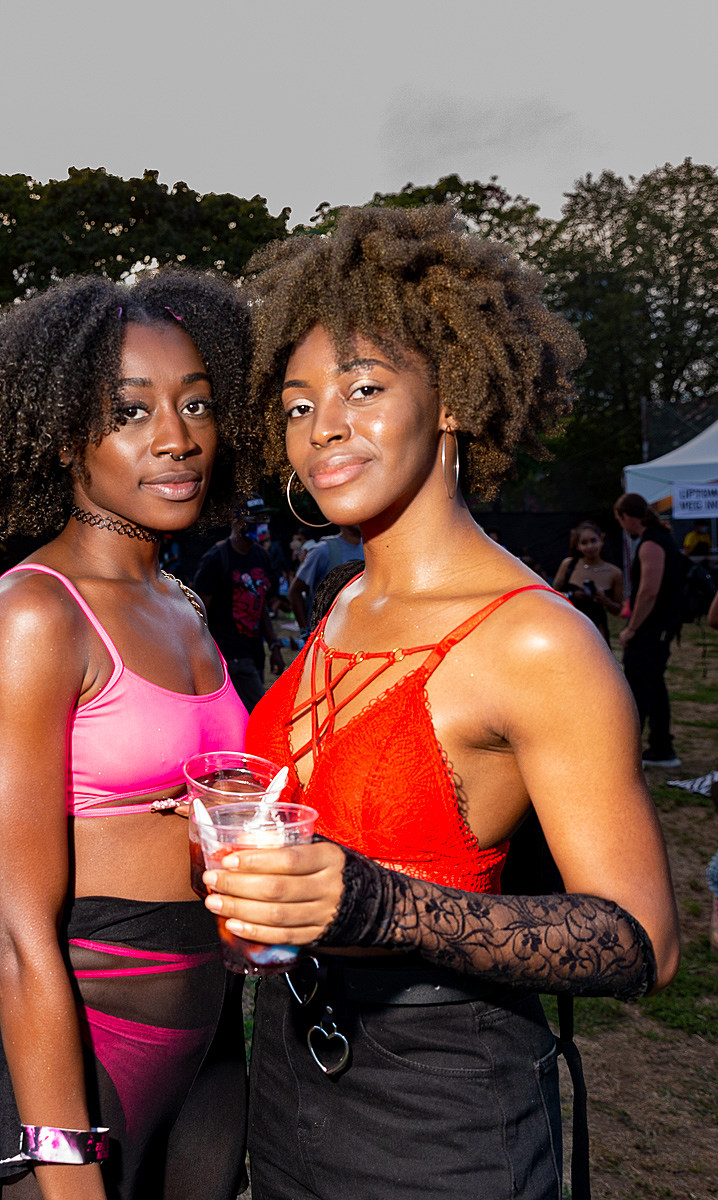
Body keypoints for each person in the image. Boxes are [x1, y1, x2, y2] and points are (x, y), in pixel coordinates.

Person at [203, 206, 680, 1200]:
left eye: (362, 388)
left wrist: (375, 901)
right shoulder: (343, 602)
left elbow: (639, 941)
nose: (321, 424)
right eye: (295, 405)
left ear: (454, 396)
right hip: (287, 1066)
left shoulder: (533, 637)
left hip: (439, 1108)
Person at [0, 270, 254, 1200]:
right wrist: (61, 1157)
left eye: (196, 402)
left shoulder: (182, 600)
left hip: (212, 1034)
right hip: (90, 1048)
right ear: (65, 432)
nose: (177, 436)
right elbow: (18, 927)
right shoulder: (38, 612)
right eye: (131, 411)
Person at [192, 496, 285, 713]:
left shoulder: (262, 556)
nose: (260, 524)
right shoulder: (216, 558)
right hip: (228, 653)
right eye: (253, 519)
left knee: (246, 712)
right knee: (260, 710)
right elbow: (198, 612)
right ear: (236, 521)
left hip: (254, 652)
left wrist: (274, 645)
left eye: (262, 518)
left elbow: (260, 604)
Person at [614, 493, 685, 769]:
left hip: (651, 630)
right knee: (653, 686)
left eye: (620, 520)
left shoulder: (651, 542)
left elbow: (649, 591)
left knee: (641, 688)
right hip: (659, 628)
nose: (622, 527)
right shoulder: (658, 538)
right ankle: (660, 746)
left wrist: (632, 628)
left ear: (628, 517)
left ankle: (652, 749)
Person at [552, 521, 623, 642]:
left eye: (593, 541)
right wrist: (571, 595)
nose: (590, 546)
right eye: (584, 543)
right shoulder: (569, 565)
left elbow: (617, 610)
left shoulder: (614, 573)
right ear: (577, 546)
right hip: (568, 628)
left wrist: (605, 601)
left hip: (597, 632)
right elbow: (551, 596)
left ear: (601, 540)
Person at [288, 525, 363, 634]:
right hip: (327, 638)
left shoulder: (374, 549)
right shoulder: (323, 550)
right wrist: (306, 632)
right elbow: (295, 591)